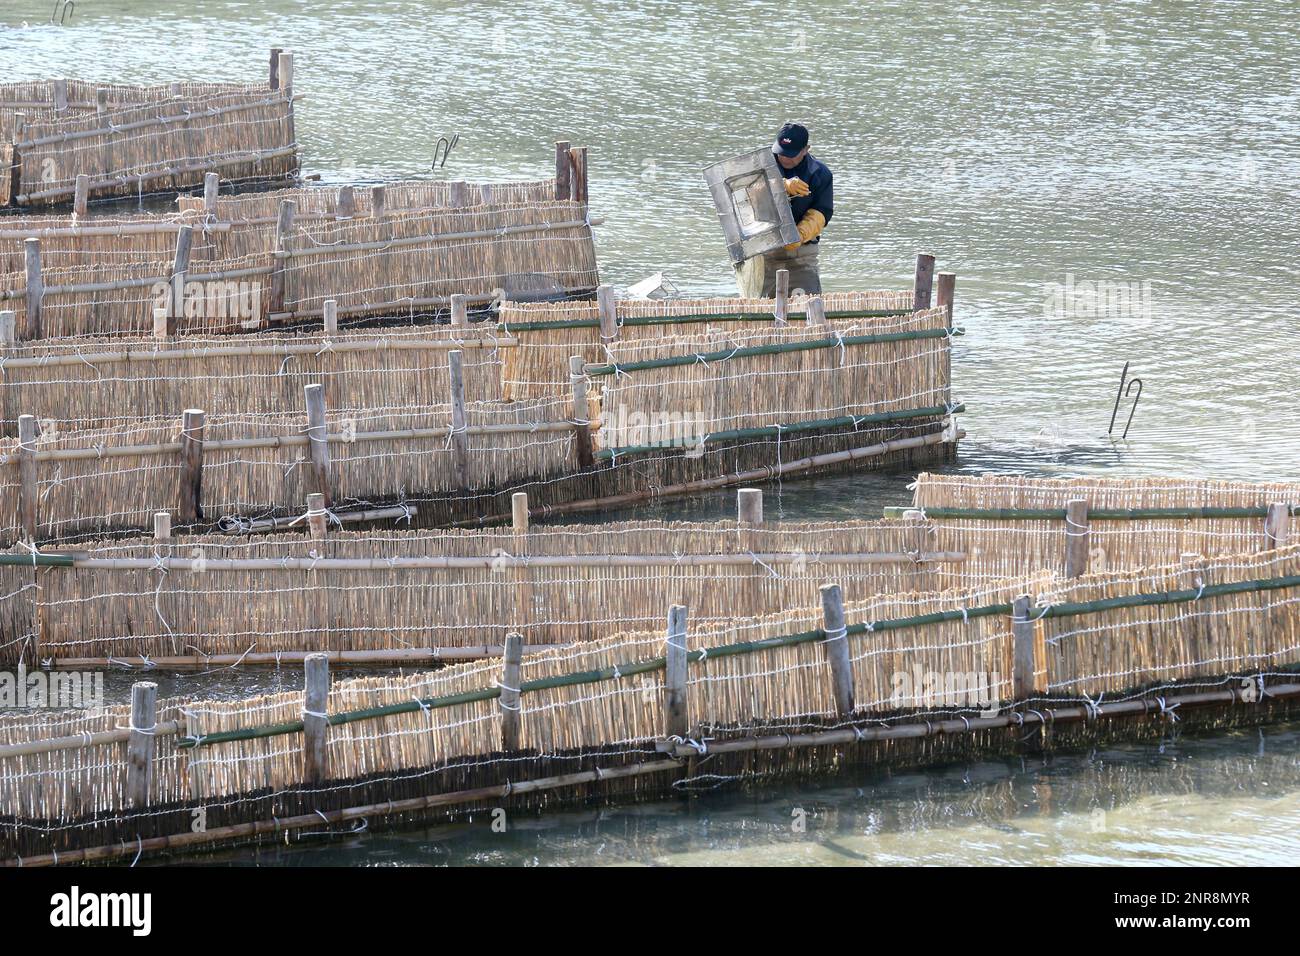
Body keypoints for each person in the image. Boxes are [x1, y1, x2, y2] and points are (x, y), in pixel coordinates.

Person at [736, 122, 834, 297]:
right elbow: (744, 193)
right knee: (763, 305)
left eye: (791, 154)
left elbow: (823, 210)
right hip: (764, 251)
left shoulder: (820, 173)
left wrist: (799, 235)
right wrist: (781, 185)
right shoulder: (760, 166)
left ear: (806, 150)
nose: (785, 158)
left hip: (802, 253)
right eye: (782, 152)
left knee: (807, 301)